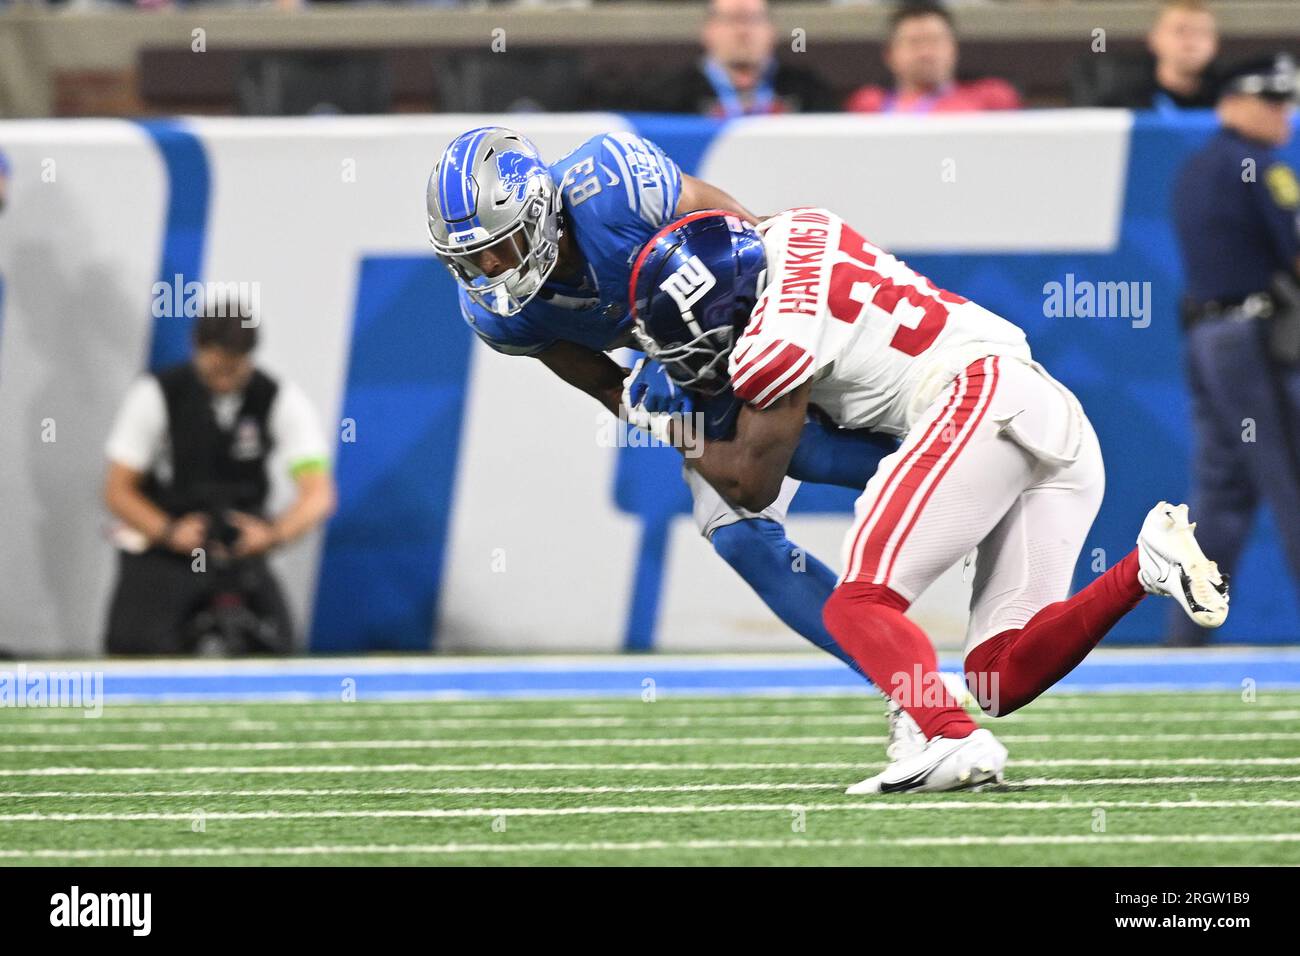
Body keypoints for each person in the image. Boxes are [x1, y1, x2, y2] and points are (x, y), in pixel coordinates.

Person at [629, 208, 1229, 794]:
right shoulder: (795, 226)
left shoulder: (772, 346)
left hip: (978, 398)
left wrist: (664, 424)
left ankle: (947, 734)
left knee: (857, 604)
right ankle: (1143, 568)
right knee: (998, 674)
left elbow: (753, 484)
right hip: (1049, 412)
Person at [426, 126, 895, 688]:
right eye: (474, 259)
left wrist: (714, 337)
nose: (495, 269)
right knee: (737, 525)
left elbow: (752, 244)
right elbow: (607, 385)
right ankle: (904, 682)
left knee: (840, 443)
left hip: (769, 310)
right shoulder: (499, 314)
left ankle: (960, 480)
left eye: (503, 245)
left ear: (542, 210)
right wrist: (664, 416)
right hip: (695, 363)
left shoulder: (612, 185)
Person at [102, 304, 336, 654]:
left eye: (234, 369)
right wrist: (170, 531)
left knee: (279, 654)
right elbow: (118, 491)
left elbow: (318, 494)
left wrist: (272, 534)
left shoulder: (279, 399)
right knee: (137, 652)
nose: (224, 380)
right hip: (164, 552)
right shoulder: (156, 395)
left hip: (239, 554)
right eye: (215, 369)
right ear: (196, 348)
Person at [1170, 53, 1300, 647]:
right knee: (1290, 479)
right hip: (1251, 341)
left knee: (1221, 493)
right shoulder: (1264, 168)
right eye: (1271, 102)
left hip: (1206, 339)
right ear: (1230, 103)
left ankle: (1184, 643)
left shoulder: (1195, 169)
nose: (1284, 114)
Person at [622, 0, 836, 116]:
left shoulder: (809, 91)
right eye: (732, 20)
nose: (743, 31)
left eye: (753, 20)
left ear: (772, 31)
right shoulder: (665, 97)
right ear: (708, 31)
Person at [844, 2, 1020, 115]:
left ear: (953, 48)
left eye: (935, 41)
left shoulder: (989, 97)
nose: (926, 53)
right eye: (914, 43)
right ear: (889, 54)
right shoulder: (868, 104)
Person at [1076, 0, 1219, 111]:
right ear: (1154, 38)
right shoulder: (1124, 99)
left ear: (1215, 44)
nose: (1191, 42)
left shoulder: (1227, 98)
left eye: (1201, 33)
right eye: (1180, 31)